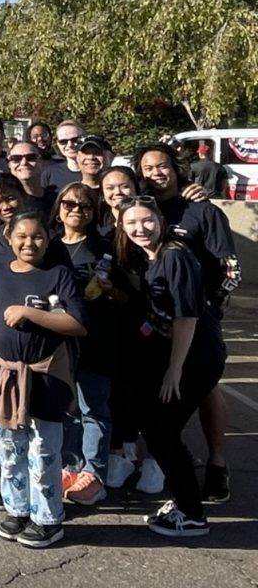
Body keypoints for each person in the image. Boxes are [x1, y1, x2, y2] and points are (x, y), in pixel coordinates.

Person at [117, 196, 226, 536]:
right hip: (182, 357)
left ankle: (192, 514)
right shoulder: (152, 258)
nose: (140, 228)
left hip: (197, 358)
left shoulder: (174, 256)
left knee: (163, 433)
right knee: (157, 428)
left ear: (160, 220)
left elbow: (186, 317)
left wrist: (174, 368)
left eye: (146, 220)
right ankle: (185, 502)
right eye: (131, 222)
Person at [0, 212, 86, 549]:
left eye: (37, 236)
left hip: (45, 375)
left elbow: (77, 324)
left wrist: (29, 313)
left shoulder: (59, 275)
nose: (29, 243)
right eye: (21, 236)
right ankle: (18, 509)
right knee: (9, 447)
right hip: (3, 374)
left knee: (44, 450)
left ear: (47, 240)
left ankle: (48, 519)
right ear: (9, 239)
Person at [135, 142, 237, 500]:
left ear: (175, 168)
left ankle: (217, 465)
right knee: (161, 393)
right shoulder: (139, 209)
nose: (156, 173)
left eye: (161, 165)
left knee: (206, 387)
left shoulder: (201, 210)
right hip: (153, 321)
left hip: (195, 317)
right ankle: (170, 458)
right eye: (147, 168)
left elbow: (230, 269)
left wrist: (210, 303)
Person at [48, 182, 121, 506]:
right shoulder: (49, 246)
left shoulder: (105, 247)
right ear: (59, 207)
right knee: (67, 408)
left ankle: (95, 474)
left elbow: (129, 296)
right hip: (58, 342)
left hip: (98, 339)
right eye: (69, 204)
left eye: (85, 206)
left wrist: (111, 292)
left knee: (93, 409)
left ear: (94, 212)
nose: (76, 210)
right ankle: (71, 465)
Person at [6, 140, 56, 215]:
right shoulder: (5, 202)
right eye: (16, 158)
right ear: (9, 164)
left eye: (31, 157)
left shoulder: (56, 200)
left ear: (41, 162)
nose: (24, 163)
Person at [96, 166, 138, 238]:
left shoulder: (149, 223)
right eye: (110, 188)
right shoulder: (99, 231)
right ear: (102, 194)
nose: (118, 192)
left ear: (136, 190)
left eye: (124, 186)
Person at [42, 120, 84, 189]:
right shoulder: (49, 173)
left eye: (75, 140)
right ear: (58, 144)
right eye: (63, 141)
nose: (70, 145)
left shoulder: (95, 171)